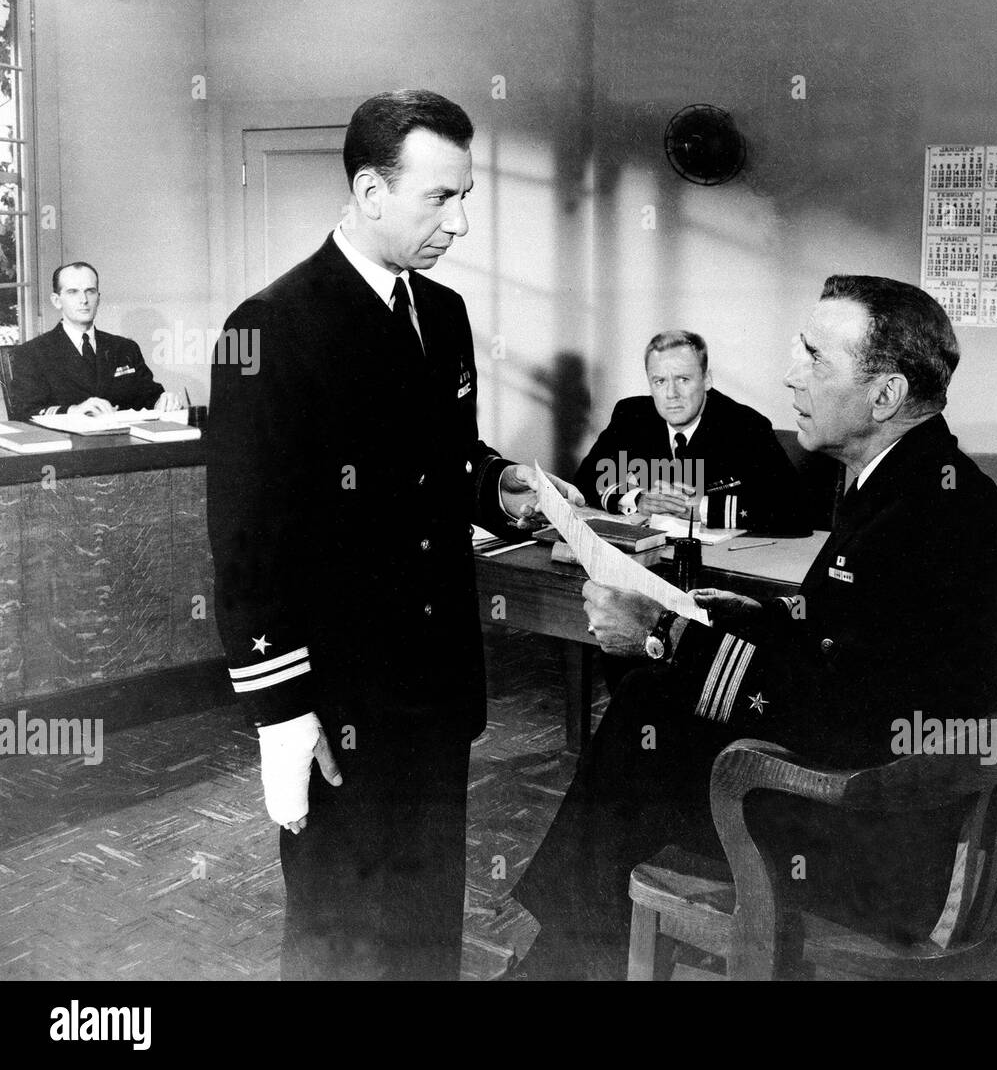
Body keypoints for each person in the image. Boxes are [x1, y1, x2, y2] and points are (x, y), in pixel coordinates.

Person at [511, 276, 997, 980]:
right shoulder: (908, 481)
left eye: (814, 359)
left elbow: (836, 706)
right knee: (648, 710)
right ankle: (567, 952)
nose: (790, 377)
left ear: (885, 396)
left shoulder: (924, 517)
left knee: (646, 721)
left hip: (881, 834)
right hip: (887, 785)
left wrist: (664, 634)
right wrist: (728, 614)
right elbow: (838, 646)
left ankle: (563, 958)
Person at [206, 89, 581, 981]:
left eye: (465, 197)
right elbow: (245, 542)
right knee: (339, 934)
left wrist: (504, 485)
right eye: (439, 199)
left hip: (433, 685)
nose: (459, 222)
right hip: (337, 697)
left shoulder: (440, 315)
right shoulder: (268, 329)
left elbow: (445, 460)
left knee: (424, 928)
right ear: (372, 193)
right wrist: (281, 713)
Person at [573, 330, 807, 534]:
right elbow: (584, 481)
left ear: (706, 380)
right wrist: (637, 499)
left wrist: (701, 508)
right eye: (660, 381)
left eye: (683, 379)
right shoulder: (631, 415)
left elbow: (795, 510)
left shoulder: (746, 426)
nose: (671, 394)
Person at [8, 262, 183, 420]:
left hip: (125, 448)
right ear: (56, 301)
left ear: (98, 298)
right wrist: (72, 411)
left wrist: (163, 400)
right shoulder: (31, 354)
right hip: (67, 451)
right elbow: (24, 413)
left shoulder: (125, 348)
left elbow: (149, 396)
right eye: (73, 292)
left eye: (90, 291)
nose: (84, 300)